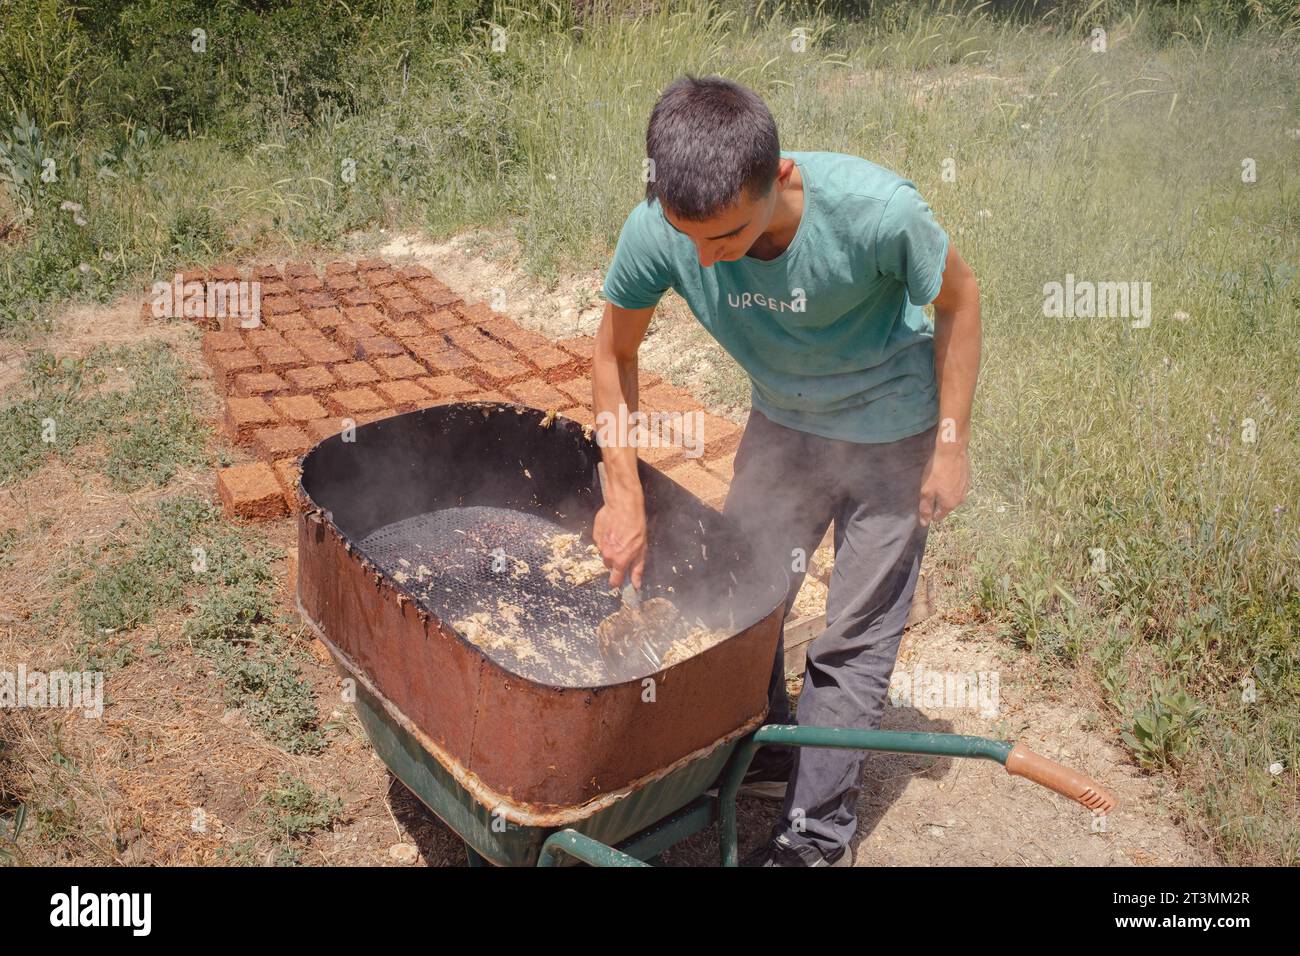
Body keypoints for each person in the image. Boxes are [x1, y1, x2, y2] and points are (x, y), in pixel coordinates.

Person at [590, 75, 982, 867]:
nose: (703, 258)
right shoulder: (659, 230)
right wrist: (622, 494)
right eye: (686, 235)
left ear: (784, 179)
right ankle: (766, 750)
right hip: (783, 421)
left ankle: (817, 835)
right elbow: (613, 351)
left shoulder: (878, 213)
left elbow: (961, 302)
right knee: (744, 594)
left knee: (848, 642)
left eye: (727, 238)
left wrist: (950, 442)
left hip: (893, 434)